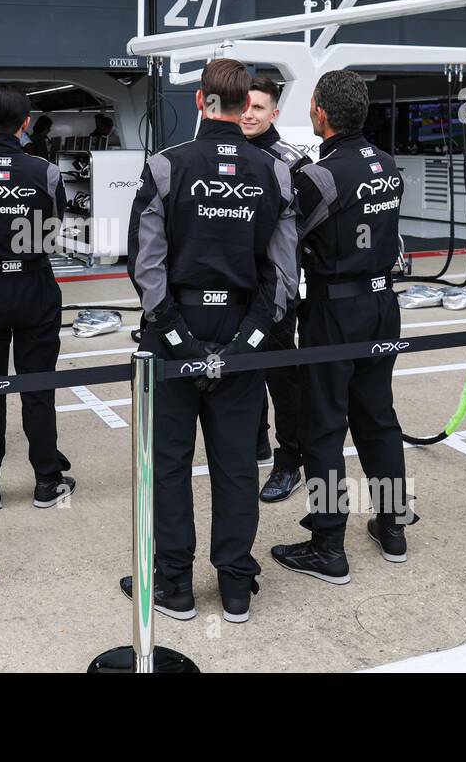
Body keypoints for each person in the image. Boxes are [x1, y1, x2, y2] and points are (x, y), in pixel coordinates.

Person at [124, 58, 297, 624]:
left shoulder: (166, 165)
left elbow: (145, 266)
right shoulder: (273, 171)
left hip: (173, 337)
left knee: (169, 464)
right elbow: (284, 274)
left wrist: (177, 338)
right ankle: (236, 586)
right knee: (236, 465)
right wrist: (246, 343)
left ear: (201, 102)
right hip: (242, 333)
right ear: (247, 104)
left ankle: (174, 587)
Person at [272, 70, 410, 584]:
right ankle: (394, 526)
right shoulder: (387, 164)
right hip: (382, 303)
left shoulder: (319, 176)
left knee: (325, 426)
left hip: (336, 309)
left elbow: (287, 232)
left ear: (319, 112)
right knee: (378, 416)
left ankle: (328, 544)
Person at [0, 84, 73, 511]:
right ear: (26, 124)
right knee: (38, 386)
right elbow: (56, 228)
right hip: (34, 286)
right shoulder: (45, 171)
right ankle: (48, 480)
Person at [239, 75, 311, 503]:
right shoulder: (225, 154)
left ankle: (291, 460)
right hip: (237, 288)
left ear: (275, 114)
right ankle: (257, 441)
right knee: (243, 372)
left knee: (283, 379)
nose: (249, 114)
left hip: (278, 291)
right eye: (244, 106)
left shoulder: (290, 162)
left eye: (259, 108)